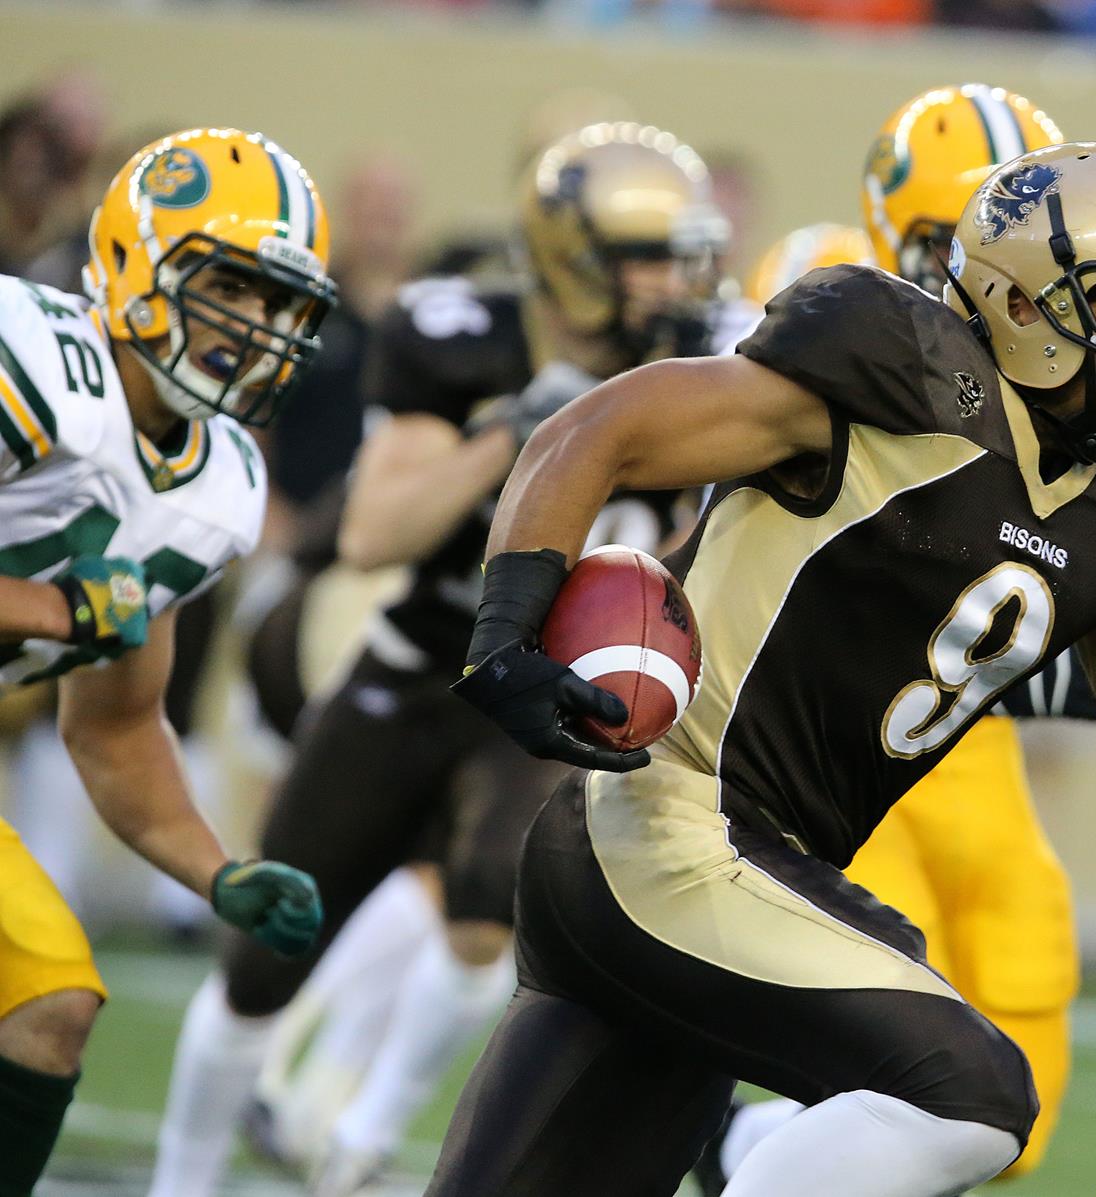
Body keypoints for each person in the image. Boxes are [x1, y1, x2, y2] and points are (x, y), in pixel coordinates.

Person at [433, 141, 1096, 1197]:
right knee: (969, 1096)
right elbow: (600, 429)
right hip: (663, 828)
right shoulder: (895, 367)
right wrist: (505, 629)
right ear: (1024, 306)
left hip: (740, 880)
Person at [145, 121, 738, 1197]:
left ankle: (357, 1140)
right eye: (648, 255)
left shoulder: (702, 366)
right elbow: (375, 535)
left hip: (546, 699)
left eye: (685, 254)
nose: (677, 282)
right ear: (569, 258)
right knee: (262, 962)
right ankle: (179, 1183)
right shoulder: (456, 333)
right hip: (414, 669)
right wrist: (512, 432)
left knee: (480, 922)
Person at [703, 83, 1082, 1190]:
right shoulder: (827, 308)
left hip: (961, 728)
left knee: (1025, 973)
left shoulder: (1074, 366)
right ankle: (731, 1149)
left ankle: (733, 1149)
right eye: (955, 237)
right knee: (893, 1027)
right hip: (833, 726)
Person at [0, 126, 333, 1195]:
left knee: (46, 1004)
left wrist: (215, 871)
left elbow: (114, 723)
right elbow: (71, 618)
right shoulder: (32, 358)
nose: (261, 328)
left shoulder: (216, 491)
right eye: (234, 285)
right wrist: (47, 604)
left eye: (286, 306)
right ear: (138, 261)